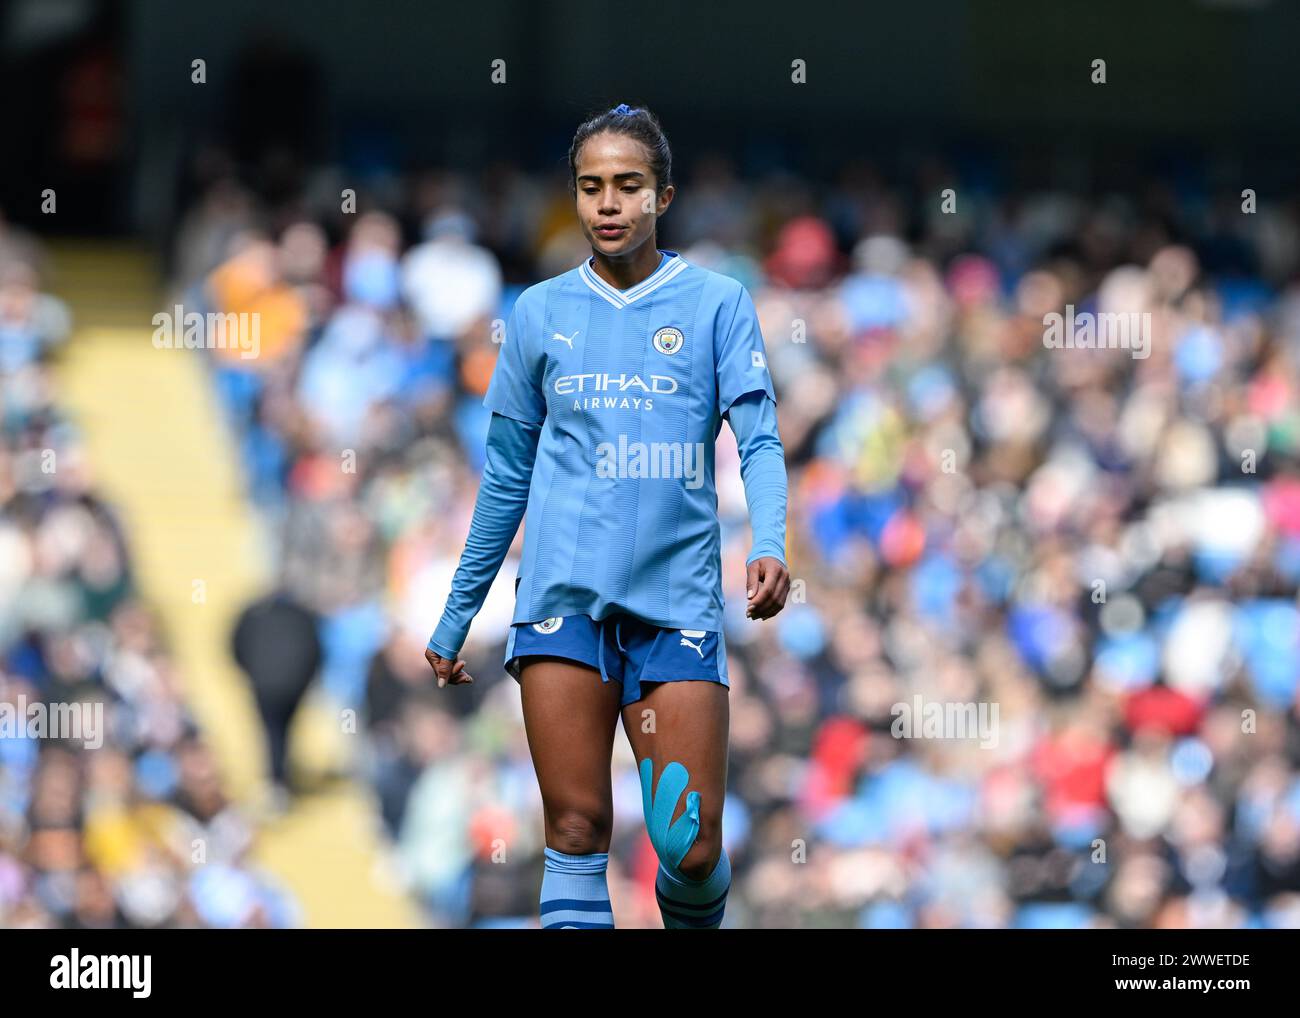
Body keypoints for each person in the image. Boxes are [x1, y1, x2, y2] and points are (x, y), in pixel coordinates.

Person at [424, 103, 789, 929]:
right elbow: (505, 478)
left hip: (676, 602)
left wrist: (769, 542)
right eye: (591, 188)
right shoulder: (538, 314)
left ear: (663, 195)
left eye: (628, 186)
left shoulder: (716, 303)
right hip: (561, 602)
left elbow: (760, 442)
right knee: (577, 828)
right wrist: (458, 615)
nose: (609, 204)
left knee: (691, 848)